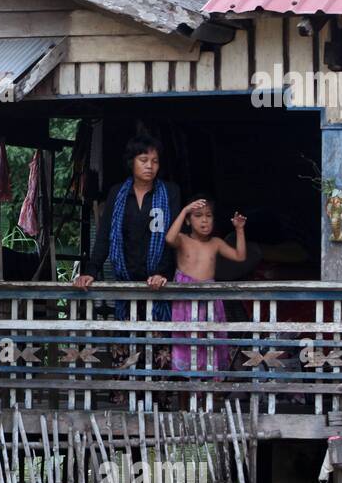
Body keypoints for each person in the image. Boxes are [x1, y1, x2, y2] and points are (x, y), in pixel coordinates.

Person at [74, 133, 180, 322]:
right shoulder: (117, 193)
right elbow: (105, 235)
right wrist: (91, 271)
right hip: (126, 284)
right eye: (144, 160)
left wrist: (163, 273)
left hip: (159, 284)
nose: (150, 166)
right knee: (126, 346)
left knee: (158, 347)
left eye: (155, 161)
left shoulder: (170, 192)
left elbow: (175, 237)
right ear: (132, 162)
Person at [164, 196, 247, 372]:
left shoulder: (216, 243)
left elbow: (240, 256)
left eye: (208, 215)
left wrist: (239, 230)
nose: (204, 220)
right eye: (198, 215)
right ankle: (185, 393)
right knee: (185, 340)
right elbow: (169, 239)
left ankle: (207, 391)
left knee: (209, 340)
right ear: (188, 220)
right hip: (185, 299)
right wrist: (184, 210)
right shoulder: (182, 239)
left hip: (209, 299)